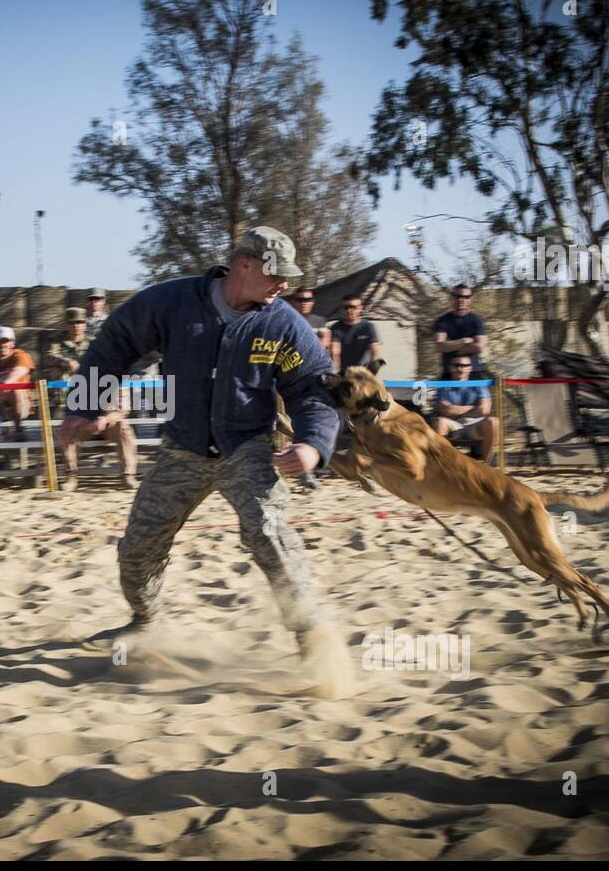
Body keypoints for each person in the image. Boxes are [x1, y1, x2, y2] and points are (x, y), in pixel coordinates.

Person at [59, 225, 339, 654]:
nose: (286, 284)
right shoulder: (173, 302)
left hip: (247, 446)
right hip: (181, 448)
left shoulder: (283, 323)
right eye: (277, 273)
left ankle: (310, 635)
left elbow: (312, 387)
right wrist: (84, 405)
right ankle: (145, 620)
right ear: (244, 265)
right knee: (137, 548)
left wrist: (312, 444)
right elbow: (114, 343)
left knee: (268, 530)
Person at [44, 307, 138, 491]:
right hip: (85, 419)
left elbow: (123, 408)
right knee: (69, 428)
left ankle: (128, 474)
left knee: (124, 427)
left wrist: (105, 419)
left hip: (109, 422)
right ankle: (72, 475)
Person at [432, 356, 498, 463]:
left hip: (475, 426)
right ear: (450, 368)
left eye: (465, 365)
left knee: (493, 422)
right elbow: (446, 410)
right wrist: (473, 407)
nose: (460, 368)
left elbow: (484, 410)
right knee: (439, 422)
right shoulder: (443, 386)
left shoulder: (479, 386)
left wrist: (456, 411)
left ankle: (487, 466)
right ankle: (443, 465)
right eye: (456, 365)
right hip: (453, 425)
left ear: (471, 368)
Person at [433, 283, 488, 380]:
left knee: (484, 396)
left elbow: (479, 347)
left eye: (466, 297)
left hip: (473, 372)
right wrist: (463, 341)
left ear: (471, 299)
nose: (461, 300)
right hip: (449, 373)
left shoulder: (476, 320)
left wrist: (450, 346)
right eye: (457, 296)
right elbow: (439, 346)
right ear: (452, 298)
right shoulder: (442, 320)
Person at [329, 294, 382, 374]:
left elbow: (375, 352)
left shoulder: (368, 327)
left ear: (360, 308)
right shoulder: (336, 328)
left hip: (363, 373)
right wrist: (336, 374)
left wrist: (372, 373)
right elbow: (335, 352)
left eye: (353, 307)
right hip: (343, 374)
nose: (349, 310)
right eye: (346, 307)